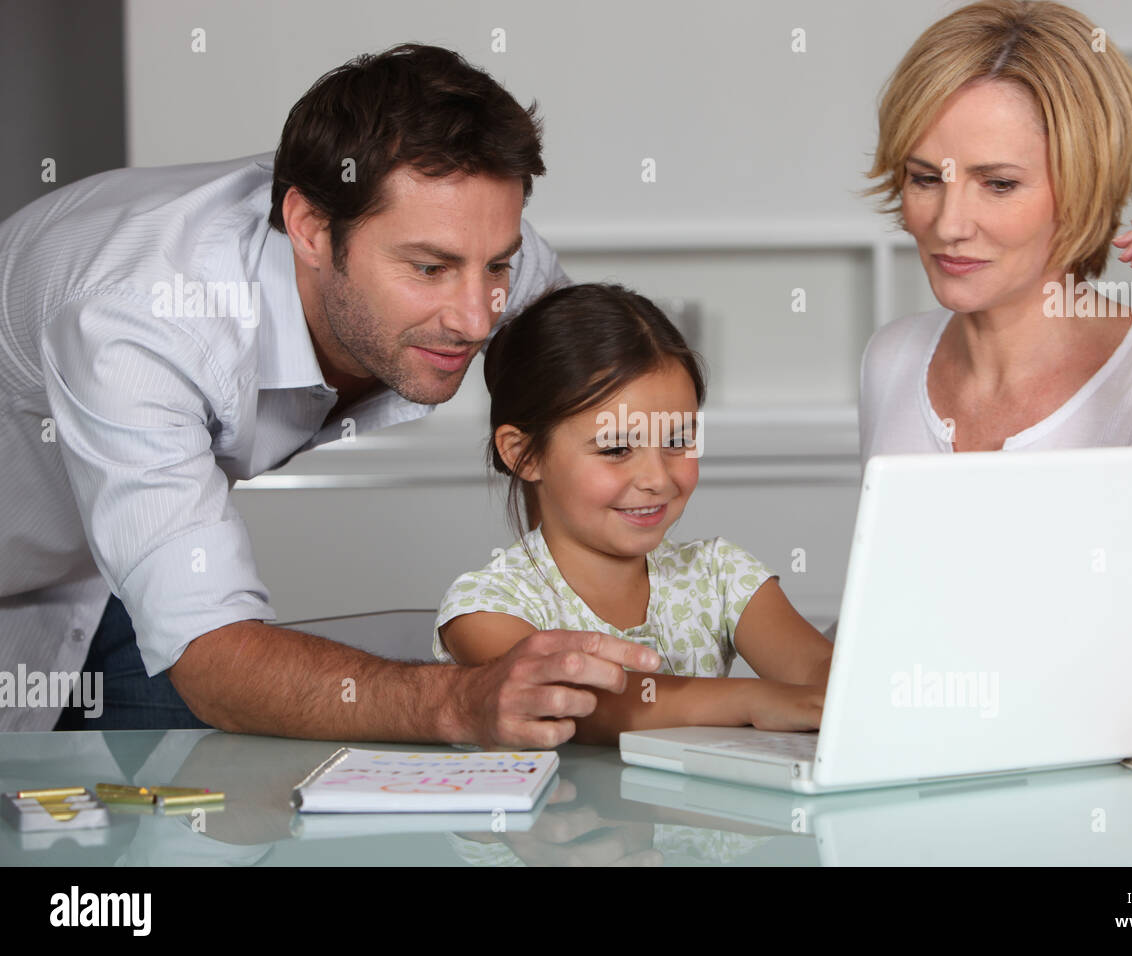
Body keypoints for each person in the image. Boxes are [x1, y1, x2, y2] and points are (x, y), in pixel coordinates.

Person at [0, 43, 658, 742]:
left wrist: (574, 612)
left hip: (104, 573)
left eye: (497, 262)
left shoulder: (472, 249)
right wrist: (459, 701)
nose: (476, 315)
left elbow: (575, 412)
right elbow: (215, 658)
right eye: (429, 268)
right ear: (311, 228)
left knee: (180, 829)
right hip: (41, 580)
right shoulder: (139, 319)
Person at [858, 0, 1132, 717]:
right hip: (945, 777)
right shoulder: (893, 359)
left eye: (998, 183)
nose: (948, 224)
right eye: (925, 178)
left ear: (1080, 191)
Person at [433, 283, 832, 745]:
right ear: (523, 454)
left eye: (677, 441)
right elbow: (580, 703)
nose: (658, 479)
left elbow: (821, 674)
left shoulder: (722, 576)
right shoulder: (487, 607)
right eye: (618, 448)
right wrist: (755, 699)